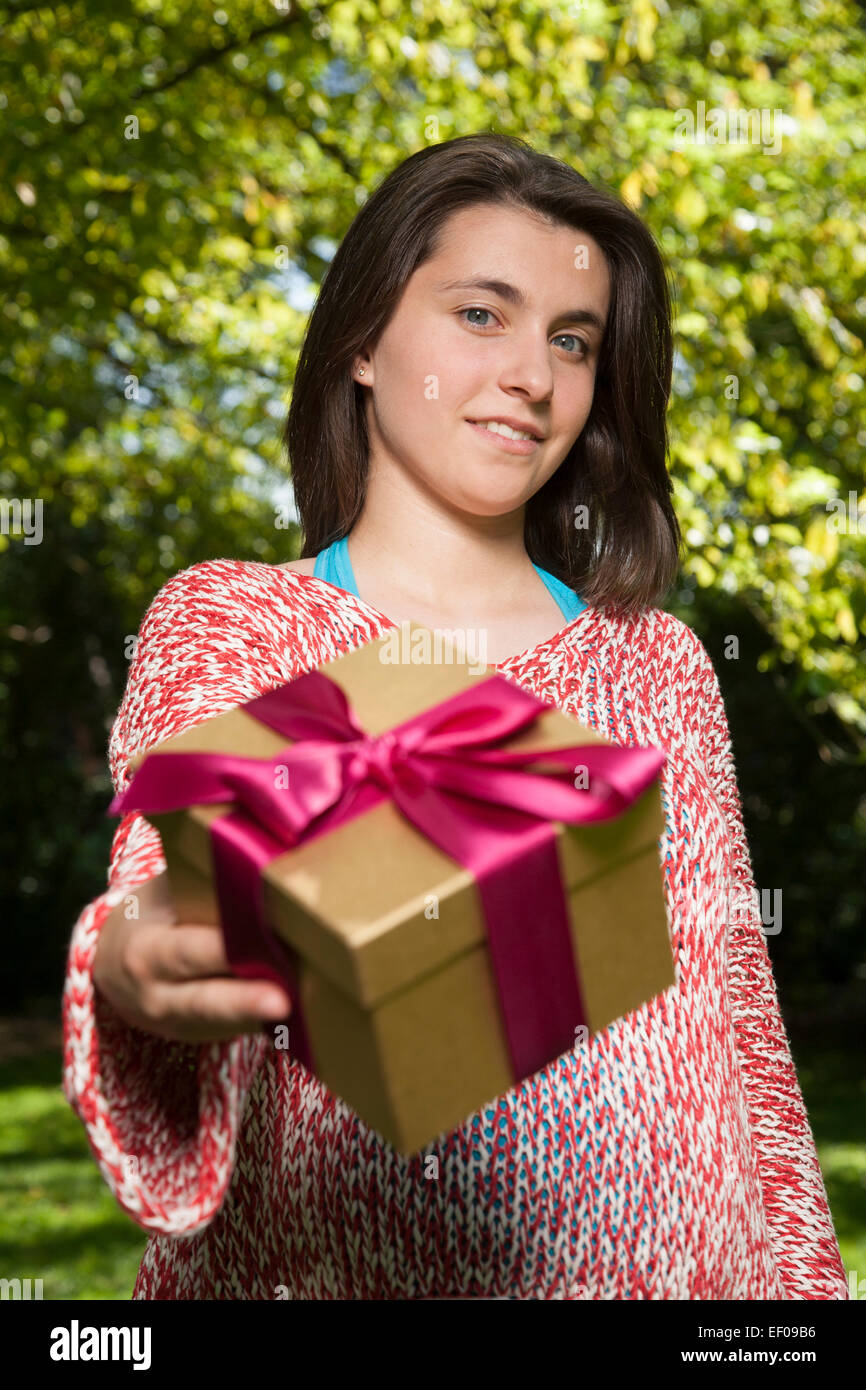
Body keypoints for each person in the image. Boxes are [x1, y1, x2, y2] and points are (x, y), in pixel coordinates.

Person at [63, 132, 848, 1299]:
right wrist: (133, 963)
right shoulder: (241, 622)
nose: (534, 374)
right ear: (365, 341)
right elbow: (157, 897)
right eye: (483, 314)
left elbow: (739, 1027)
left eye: (571, 339)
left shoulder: (657, 665)